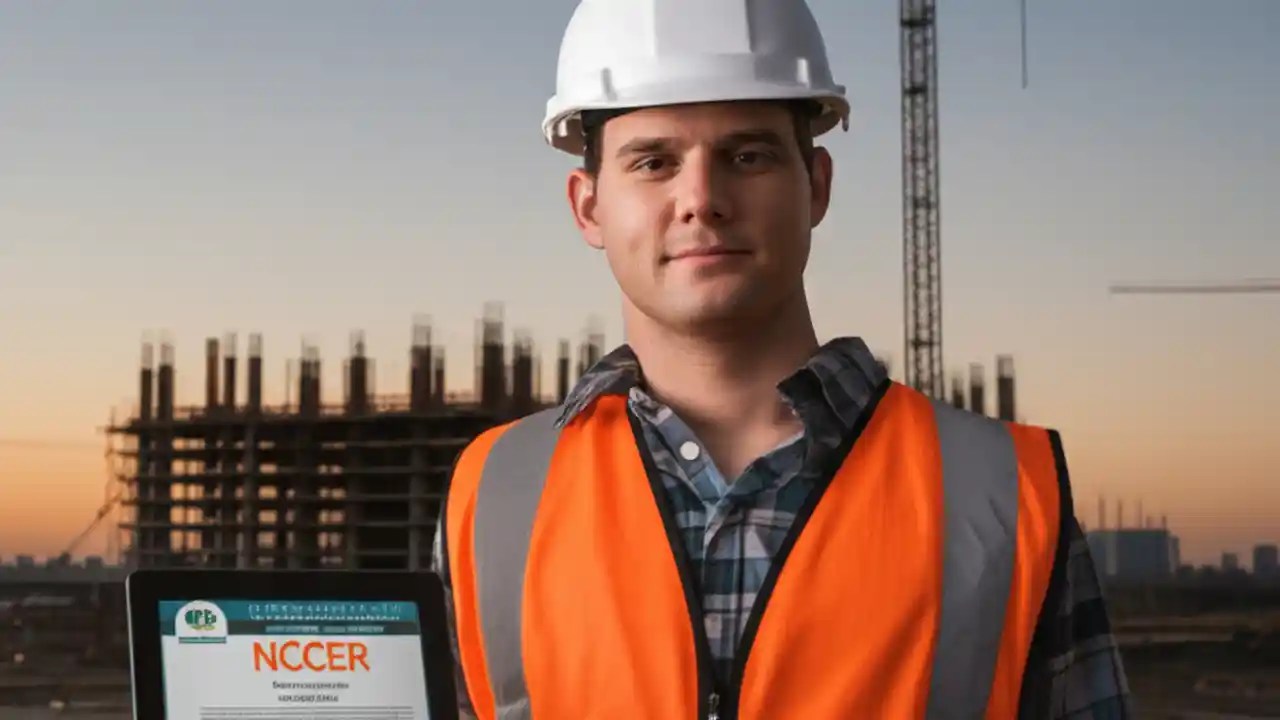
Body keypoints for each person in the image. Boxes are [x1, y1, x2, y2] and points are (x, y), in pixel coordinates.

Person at [432, 0, 1133, 717]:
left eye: (747, 155)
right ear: (588, 208)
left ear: (817, 186)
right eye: (653, 162)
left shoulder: (1005, 494)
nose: (701, 199)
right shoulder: (493, 497)